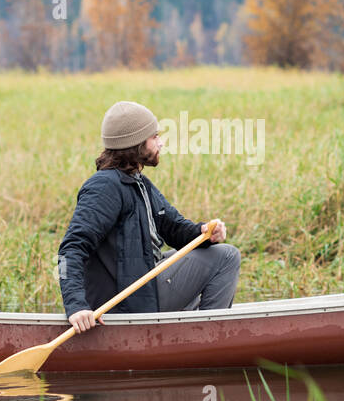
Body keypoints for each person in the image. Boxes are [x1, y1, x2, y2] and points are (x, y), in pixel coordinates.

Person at [57, 101, 240, 334]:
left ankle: (188, 329)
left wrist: (205, 232)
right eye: (154, 137)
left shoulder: (139, 183)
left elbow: (175, 229)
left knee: (205, 251)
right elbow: (69, 250)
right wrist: (76, 306)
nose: (161, 143)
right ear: (135, 143)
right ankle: (210, 339)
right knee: (227, 256)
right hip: (127, 301)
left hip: (143, 280)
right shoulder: (105, 187)